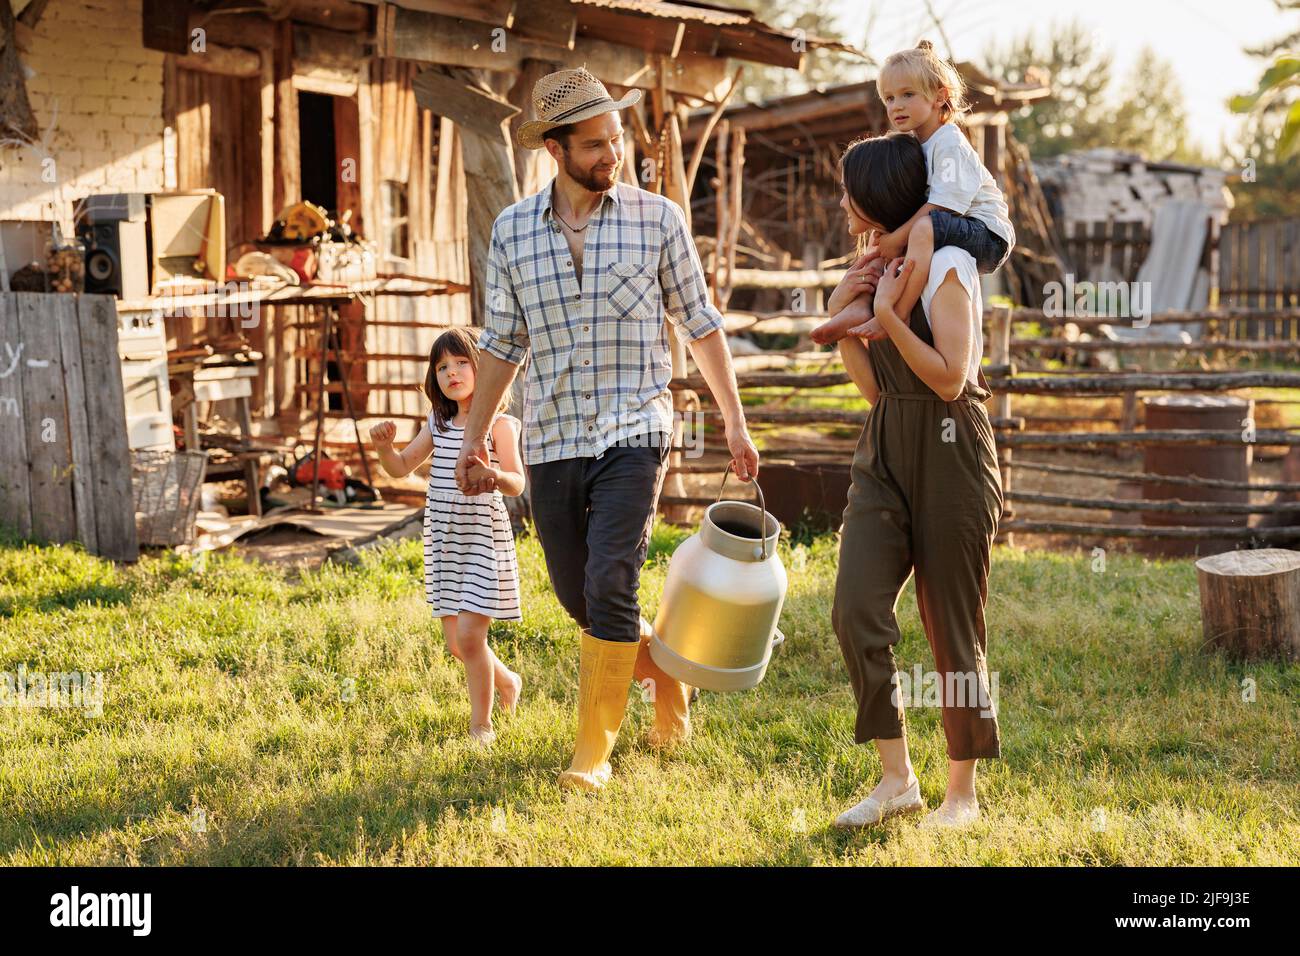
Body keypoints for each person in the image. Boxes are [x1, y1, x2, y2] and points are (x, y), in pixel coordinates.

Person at [454, 67, 759, 792]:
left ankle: (593, 752)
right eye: (594, 145)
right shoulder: (511, 233)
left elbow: (703, 324)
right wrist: (474, 436)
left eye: (615, 139)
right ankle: (669, 680)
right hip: (554, 437)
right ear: (554, 149)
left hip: (636, 429)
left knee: (611, 575)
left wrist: (735, 424)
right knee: (580, 596)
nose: (611, 154)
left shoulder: (659, 219)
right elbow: (501, 346)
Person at [826, 132, 1004, 828]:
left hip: (953, 448)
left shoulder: (950, 265)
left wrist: (888, 318)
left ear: (879, 196)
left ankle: (962, 795)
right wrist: (849, 319)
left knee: (950, 627)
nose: (843, 202)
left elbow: (951, 378)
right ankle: (897, 779)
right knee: (854, 608)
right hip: (887, 445)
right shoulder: (875, 264)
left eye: (850, 190)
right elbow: (878, 391)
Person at [370, 327, 526, 746]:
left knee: (473, 637)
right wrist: (386, 447)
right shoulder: (439, 422)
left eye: (461, 363)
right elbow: (401, 466)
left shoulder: (499, 425)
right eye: (442, 366)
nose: (452, 372)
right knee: (458, 644)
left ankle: (482, 726)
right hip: (445, 541)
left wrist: (494, 474)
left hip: (481, 541)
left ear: (484, 369)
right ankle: (508, 682)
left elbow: (517, 482)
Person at [812, 40, 1016, 346]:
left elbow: (942, 208)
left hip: (987, 233)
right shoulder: (918, 144)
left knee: (918, 229)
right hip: (950, 226)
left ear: (939, 96)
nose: (896, 105)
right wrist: (887, 238)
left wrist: (898, 239)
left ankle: (895, 313)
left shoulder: (949, 143)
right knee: (882, 233)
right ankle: (859, 303)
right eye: (889, 98)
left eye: (908, 94)